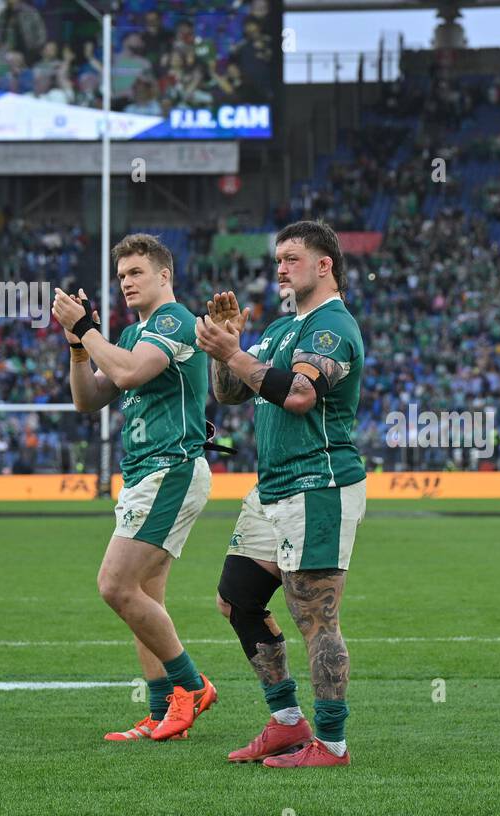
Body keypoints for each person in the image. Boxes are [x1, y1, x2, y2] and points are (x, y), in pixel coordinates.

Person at [195, 220, 366, 768]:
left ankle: (333, 745)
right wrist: (226, 349)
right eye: (278, 259)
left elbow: (297, 394)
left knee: (315, 615)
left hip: (319, 483)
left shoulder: (331, 327)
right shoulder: (279, 328)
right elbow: (228, 395)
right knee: (236, 600)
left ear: (325, 266)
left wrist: (237, 354)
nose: (280, 268)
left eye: (292, 258)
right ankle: (289, 724)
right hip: (272, 487)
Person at [51, 233, 216, 743]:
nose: (126, 282)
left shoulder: (173, 320)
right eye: (121, 275)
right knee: (144, 596)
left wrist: (88, 328)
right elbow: (89, 397)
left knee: (114, 585)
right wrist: (79, 348)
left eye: (136, 272)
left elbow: (131, 372)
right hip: (144, 471)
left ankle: (191, 686)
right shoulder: (128, 335)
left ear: (164, 276)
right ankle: (162, 710)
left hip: (172, 466)